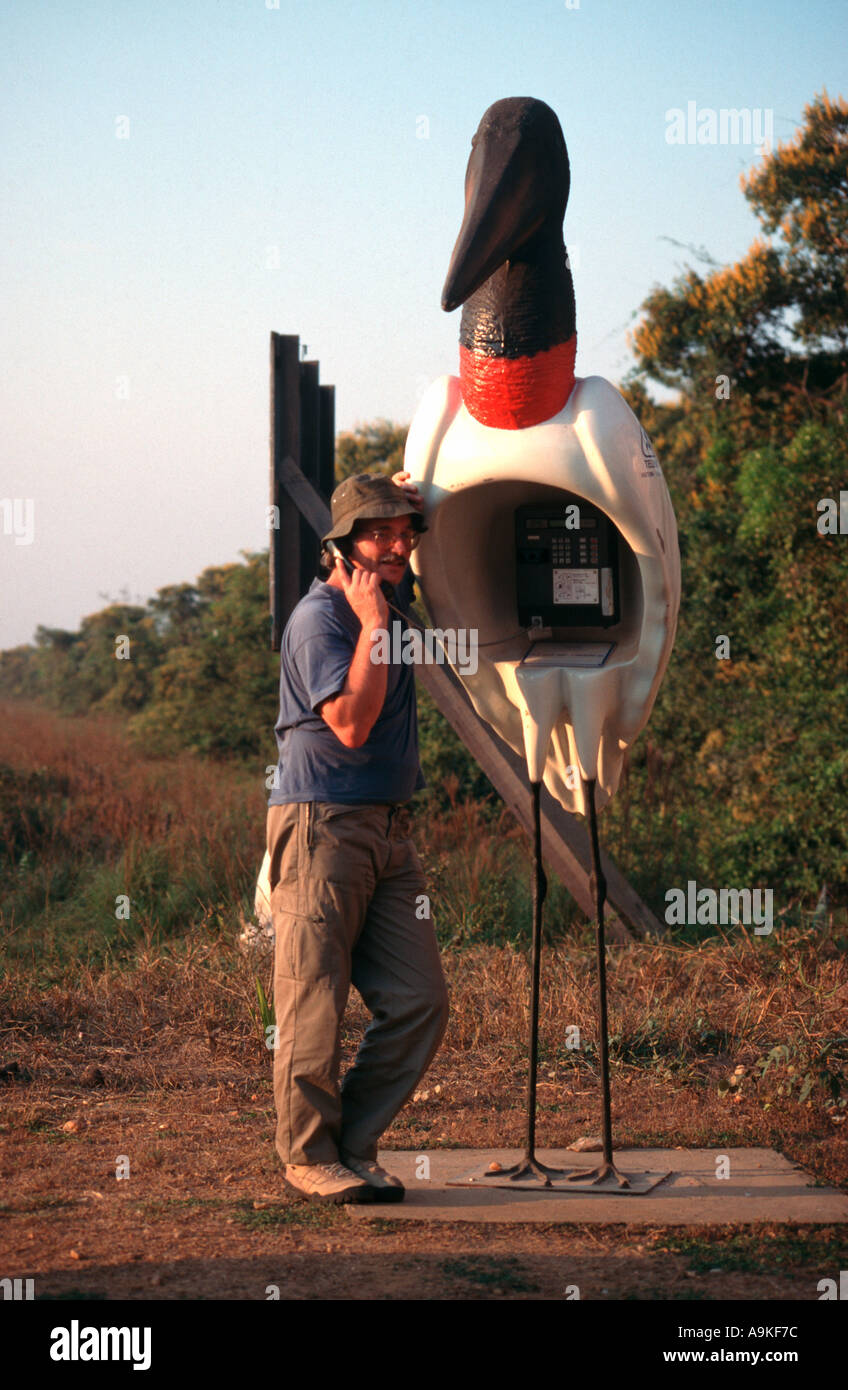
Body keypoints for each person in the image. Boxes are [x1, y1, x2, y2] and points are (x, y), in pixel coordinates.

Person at [266, 471, 449, 1203]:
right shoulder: (325, 620)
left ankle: (353, 1142)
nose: (398, 545)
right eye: (380, 535)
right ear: (340, 549)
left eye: (404, 534)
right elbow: (349, 723)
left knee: (420, 999)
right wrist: (374, 627)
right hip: (324, 826)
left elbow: (409, 507)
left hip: (388, 829)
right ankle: (308, 1156)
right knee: (314, 999)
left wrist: (405, 482)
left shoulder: (388, 601)